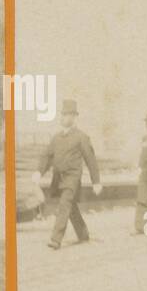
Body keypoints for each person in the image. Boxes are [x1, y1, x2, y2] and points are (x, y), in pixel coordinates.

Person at [33, 100, 102, 250]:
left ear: (74, 117)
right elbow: (47, 156)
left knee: (64, 205)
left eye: (66, 114)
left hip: (72, 178)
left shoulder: (81, 137)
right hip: (58, 178)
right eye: (62, 114)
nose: (63, 117)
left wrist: (96, 181)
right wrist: (39, 171)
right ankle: (83, 234)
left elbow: (91, 159)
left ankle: (56, 239)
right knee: (70, 208)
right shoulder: (56, 137)